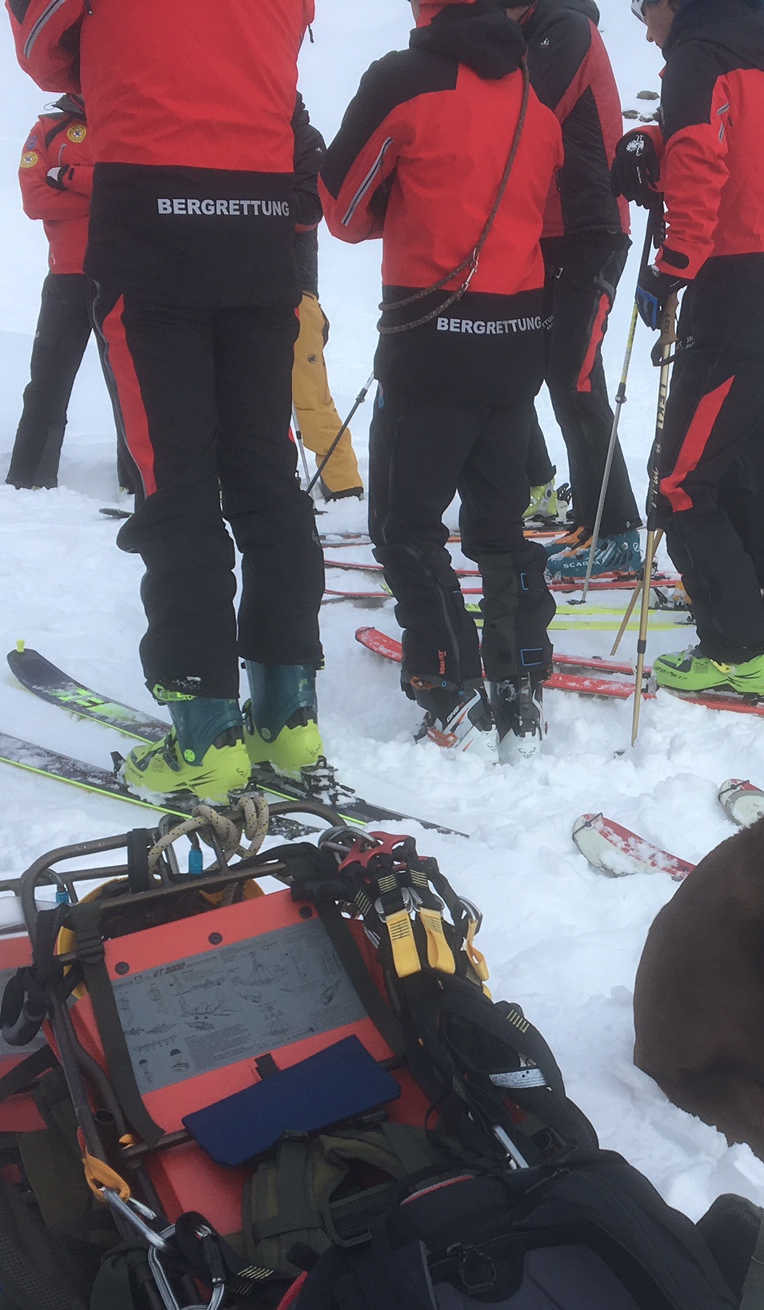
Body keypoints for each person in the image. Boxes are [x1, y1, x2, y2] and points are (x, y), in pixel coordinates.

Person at [9, 0, 327, 801]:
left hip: (152, 214)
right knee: (263, 469)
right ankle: (288, 719)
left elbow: (48, 57)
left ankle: (206, 736)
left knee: (174, 479)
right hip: (258, 217)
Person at [322, 0, 564, 763]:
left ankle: (445, 676)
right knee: (499, 524)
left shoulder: (403, 80)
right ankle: (520, 670)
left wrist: (408, 201)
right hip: (517, 334)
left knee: (405, 523)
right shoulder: (533, 95)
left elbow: (343, 209)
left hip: (433, 334)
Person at [619, 0, 764, 696]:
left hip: (734, 307)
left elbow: (699, 161)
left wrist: (675, 267)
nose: (644, 24)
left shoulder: (698, 60)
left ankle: (736, 652)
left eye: (645, 7)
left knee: (681, 483)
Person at [506, 0, 645, 584]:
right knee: (561, 376)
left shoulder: (565, 29)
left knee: (576, 375)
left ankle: (617, 533)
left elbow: (527, 114)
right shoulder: (535, 30)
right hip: (551, 230)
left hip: (590, 228)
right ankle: (593, 520)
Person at [5, 94, 143, 497]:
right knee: (47, 382)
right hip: (65, 278)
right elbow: (34, 200)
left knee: (129, 385)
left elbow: (132, 194)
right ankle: (28, 478)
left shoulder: (127, 121)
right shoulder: (47, 130)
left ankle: (137, 482)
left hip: (119, 276)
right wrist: (100, 191)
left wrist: (66, 177)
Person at [290, 96, 365, 504]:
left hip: (296, 292)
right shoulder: (239, 129)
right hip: (239, 286)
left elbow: (310, 208)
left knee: (311, 397)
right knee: (243, 397)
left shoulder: (305, 139)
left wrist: (251, 198)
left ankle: (344, 485)